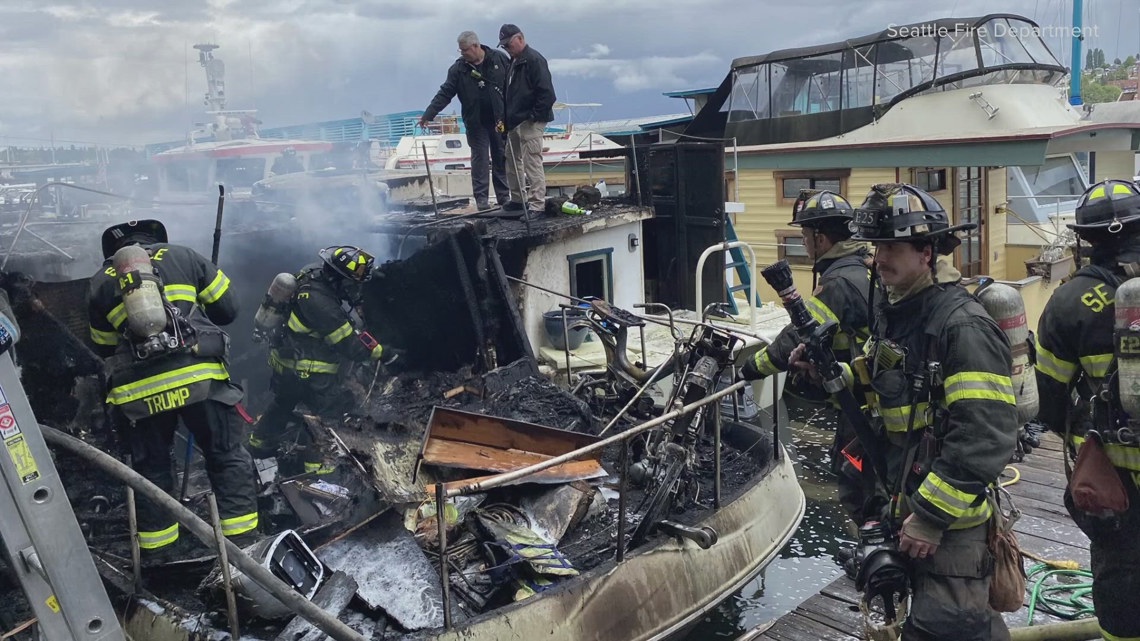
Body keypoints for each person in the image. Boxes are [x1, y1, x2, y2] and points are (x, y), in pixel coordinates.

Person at [797, 184, 1017, 640]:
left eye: (892, 247)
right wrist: (831, 373)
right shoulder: (896, 311)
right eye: (876, 247)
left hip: (950, 526)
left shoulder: (962, 327)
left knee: (952, 629)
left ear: (926, 252)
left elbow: (984, 436)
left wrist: (930, 518)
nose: (879, 259)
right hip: (902, 501)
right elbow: (884, 383)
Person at [87, 220, 259, 561]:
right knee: (225, 455)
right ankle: (243, 548)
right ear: (156, 239)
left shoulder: (99, 282)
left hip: (139, 394)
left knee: (151, 470)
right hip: (200, 379)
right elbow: (228, 310)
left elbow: (104, 346)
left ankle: (161, 556)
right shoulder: (184, 256)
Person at [1034, 179, 1140, 641]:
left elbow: (1047, 399)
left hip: (1115, 478)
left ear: (1086, 238)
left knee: (1120, 578)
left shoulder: (1068, 301)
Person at [741, 190, 875, 529]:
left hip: (862, 400)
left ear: (820, 237)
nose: (802, 242)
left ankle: (870, 538)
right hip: (868, 389)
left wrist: (749, 369)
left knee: (854, 473)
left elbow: (796, 338)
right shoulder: (859, 268)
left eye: (804, 235)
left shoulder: (839, 283)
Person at [248, 245, 405, 473]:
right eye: (352, 284)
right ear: (338, 279)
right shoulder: (321, 305)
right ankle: (319, 472)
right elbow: (350, 345)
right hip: (310, 373)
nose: (355, 289)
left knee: (282, 404)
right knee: (327, 418)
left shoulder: (312, 274)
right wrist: (386, 353)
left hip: (287, 365)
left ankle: (257, 449)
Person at [419, 31, 510, 211]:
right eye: (460, 50)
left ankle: (504, 197)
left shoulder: (499, 59)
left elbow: (512, 84)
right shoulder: (458, 69)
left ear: (476, 46)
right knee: (480, 159)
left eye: (465, 50)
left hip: (498, 120)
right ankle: (481, 199)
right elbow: (445, 93)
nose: (462, 53)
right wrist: (428, 114)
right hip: (476, 122)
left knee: (500, 156)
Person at [498, 23, 556, 217]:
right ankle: (518, 199)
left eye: (508, 44)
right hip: (515, 121)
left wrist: (533, 116)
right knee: (511, 160)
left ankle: (537, 205)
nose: (506, 48)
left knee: (532, 162)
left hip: (530, 121)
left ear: (520, 38)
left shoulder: (534, 60)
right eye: (504, 45)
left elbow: (547, 94)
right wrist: (506, 119)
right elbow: (510, 94)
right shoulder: (514, 62)